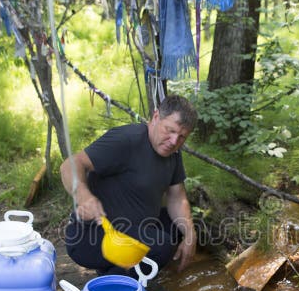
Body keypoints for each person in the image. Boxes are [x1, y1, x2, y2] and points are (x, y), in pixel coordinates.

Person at [61, 95, 198, 277]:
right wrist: (83, 196)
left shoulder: (173, 152)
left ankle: (116, 269)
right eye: (170, 130)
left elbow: (177, 197)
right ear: (156, 117)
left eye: (181, 137)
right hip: (93, 234)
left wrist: (190, 235)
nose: (174, 141)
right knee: (162, 246)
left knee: (181, 228)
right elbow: (70, 164)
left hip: (133, 227)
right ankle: (115, 285)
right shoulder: (126, 139)